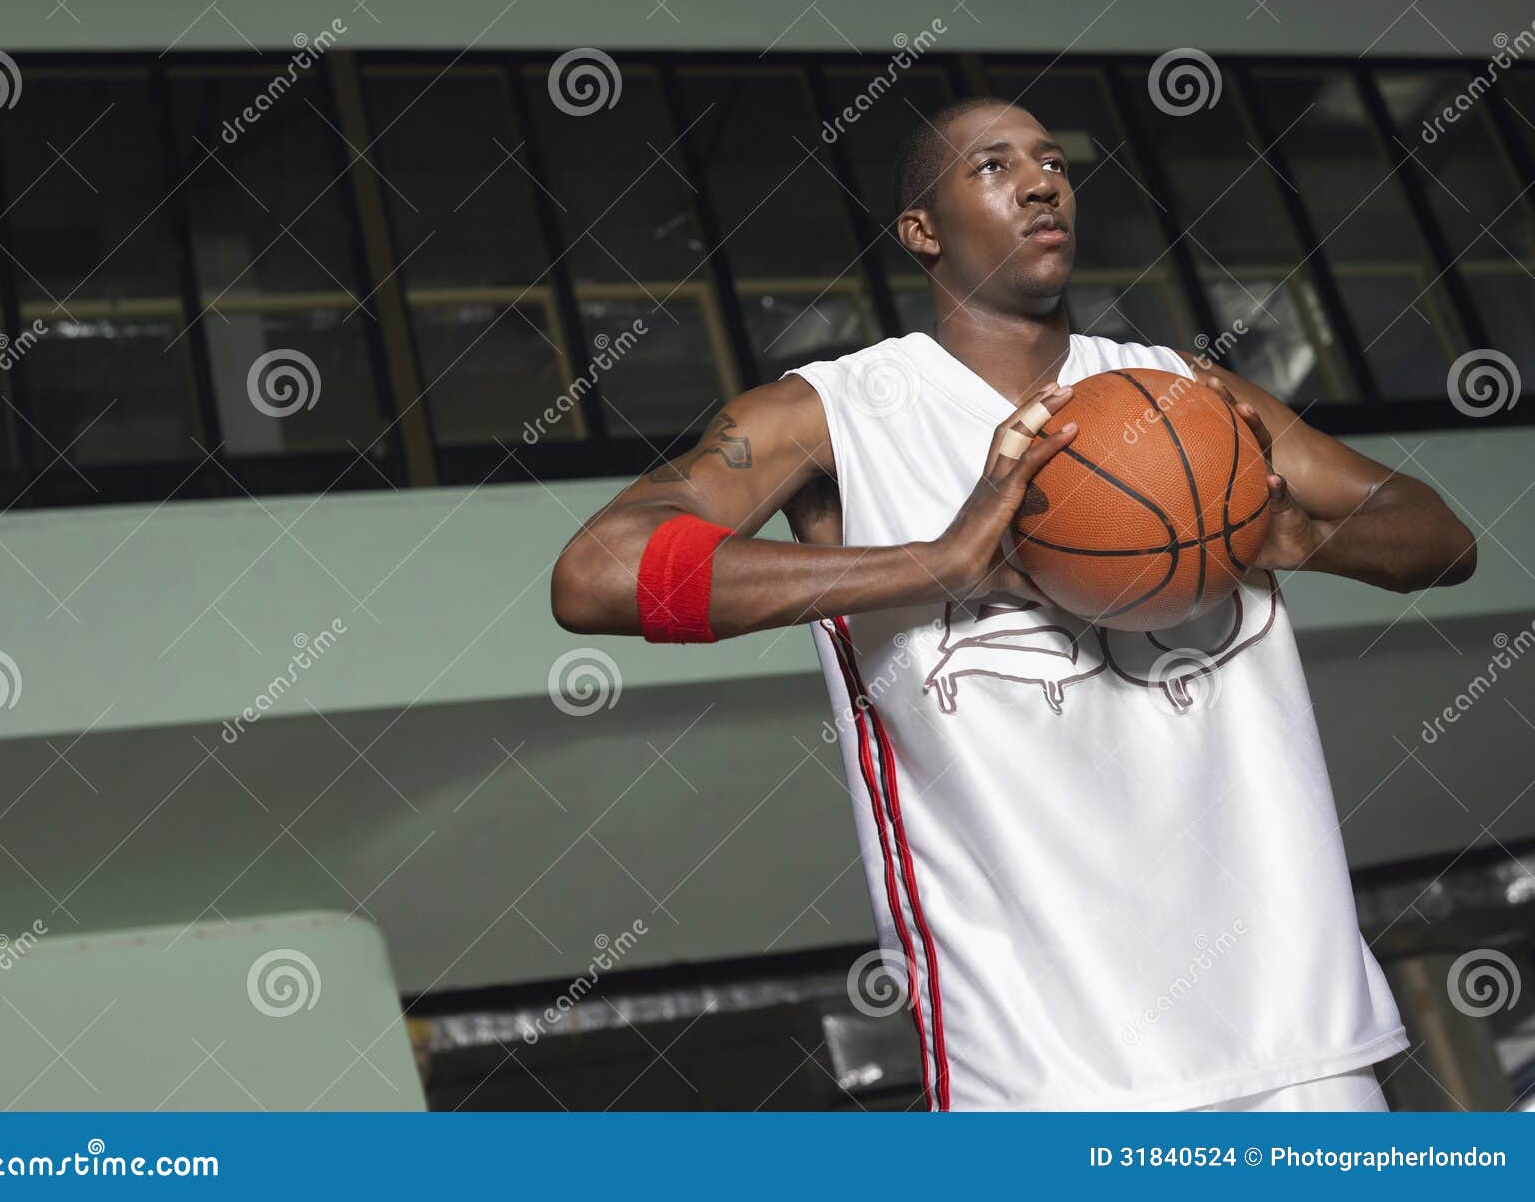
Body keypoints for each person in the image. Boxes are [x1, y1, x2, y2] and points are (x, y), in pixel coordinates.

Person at [549, 97, 1477, 1111]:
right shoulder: (836, 414)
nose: (1042, 182)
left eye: (1052, 161)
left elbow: (1440, 538)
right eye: (992, 166)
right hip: (1039, 1064)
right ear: (921, 232)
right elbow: (595, 575)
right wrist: (937, 563)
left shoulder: (1187, 397)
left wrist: (1291, 535)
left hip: (1296, 1031)